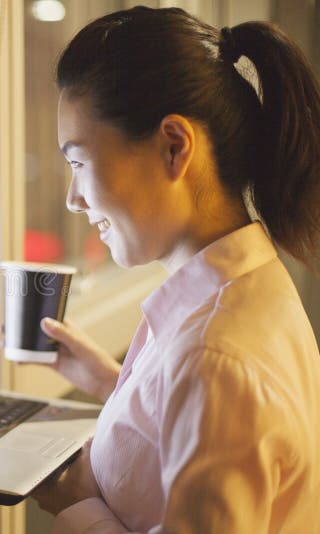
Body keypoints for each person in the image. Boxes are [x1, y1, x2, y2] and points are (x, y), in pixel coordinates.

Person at [28, 6, 320, 533]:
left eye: (78, 162)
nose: (73, 198)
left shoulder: (218, 360)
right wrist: (113, 382)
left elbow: (216, 389)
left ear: (174, 146)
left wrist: (78, 506)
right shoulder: (242, 289)